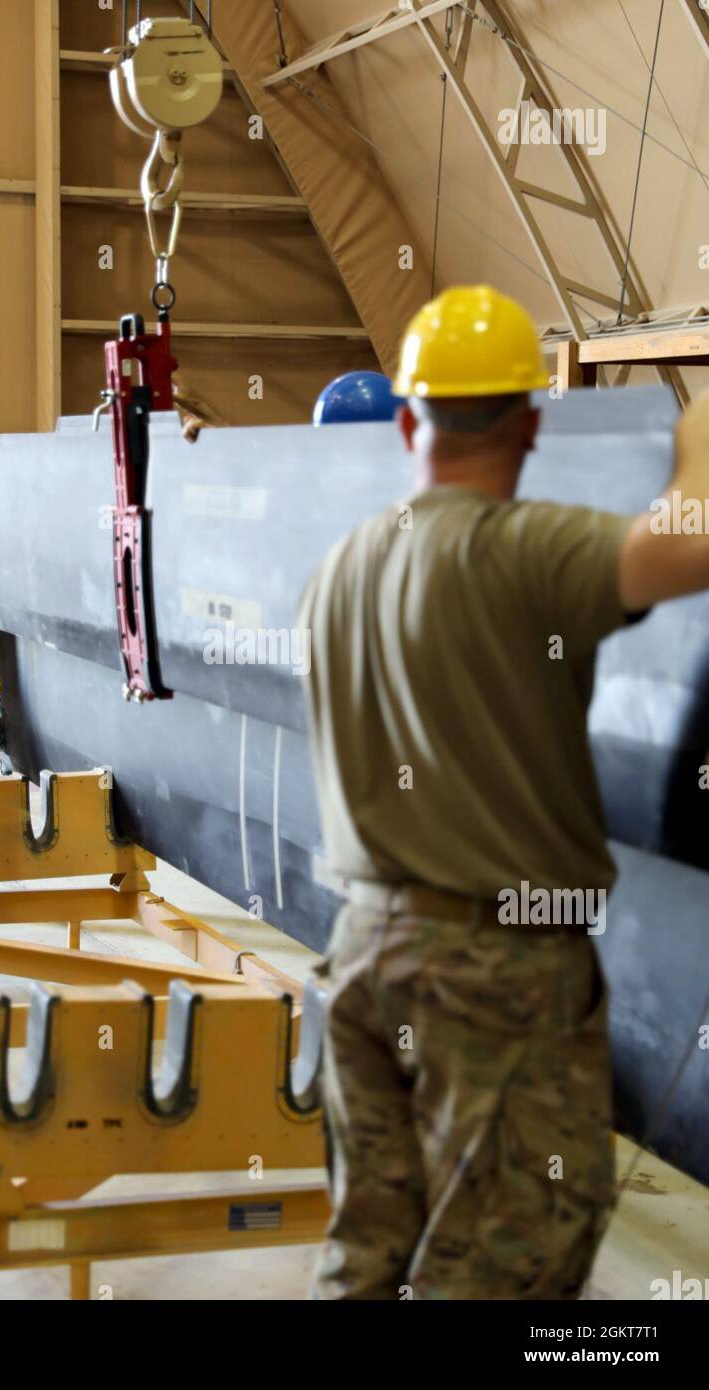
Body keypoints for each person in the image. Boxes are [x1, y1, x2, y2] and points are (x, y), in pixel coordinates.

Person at [298, 284, 709, 1300]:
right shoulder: (528, 551)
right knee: (503, 1268)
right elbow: (690, 541)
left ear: (407, 419)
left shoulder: (342, 566)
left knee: (369, 1254)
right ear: (532, 421)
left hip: (362, 955)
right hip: (493, 977)